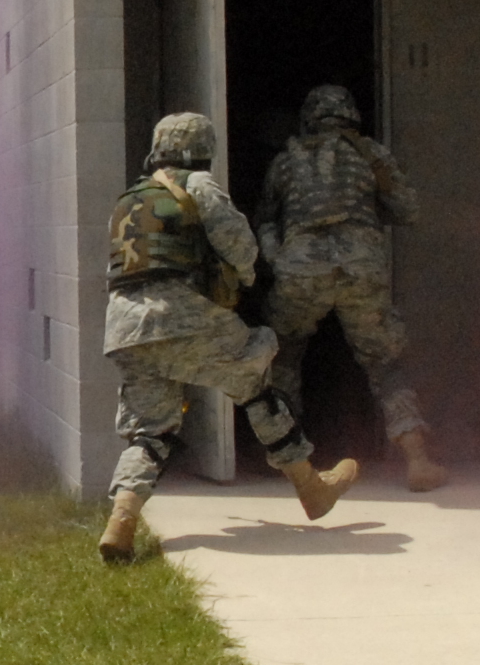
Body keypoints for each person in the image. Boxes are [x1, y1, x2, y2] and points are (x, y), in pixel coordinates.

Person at [100, 111, 355, 563]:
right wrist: (245, 276)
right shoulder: (198, 185)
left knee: (149, 433)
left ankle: (122, 520)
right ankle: (311, 488)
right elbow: (242, 247)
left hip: (125, 327)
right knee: (256, 383)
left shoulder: (128, 199)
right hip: (182, 315)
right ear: (202, 150)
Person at [256, 81, 446, 493]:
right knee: (385, 362)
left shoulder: (287, 159)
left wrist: (279, 259)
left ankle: (290, 463)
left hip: (300, 267)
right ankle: (417, 460)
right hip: (362, 267)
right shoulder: (370, 153)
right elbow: (409, 210)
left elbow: (266, 221)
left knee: (283, 355)